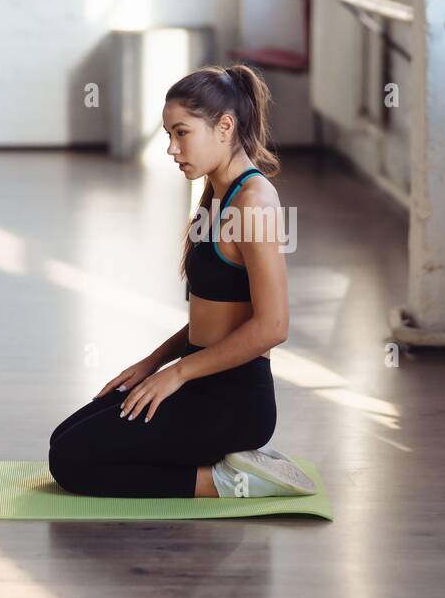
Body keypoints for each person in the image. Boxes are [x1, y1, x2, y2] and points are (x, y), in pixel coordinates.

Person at [48, 64, 316, 499]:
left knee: (71, 462)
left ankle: (231, 481)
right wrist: (152, 364)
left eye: (181, 133)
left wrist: (177, 375)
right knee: (65, 438)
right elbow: (216, 313)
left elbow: (273, 327)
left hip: (233, 400)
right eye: (169, 135)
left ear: (225, 127)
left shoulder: (255, 203)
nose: (172, 148)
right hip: (199, 380)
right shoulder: (216, 195)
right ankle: (215, 460)